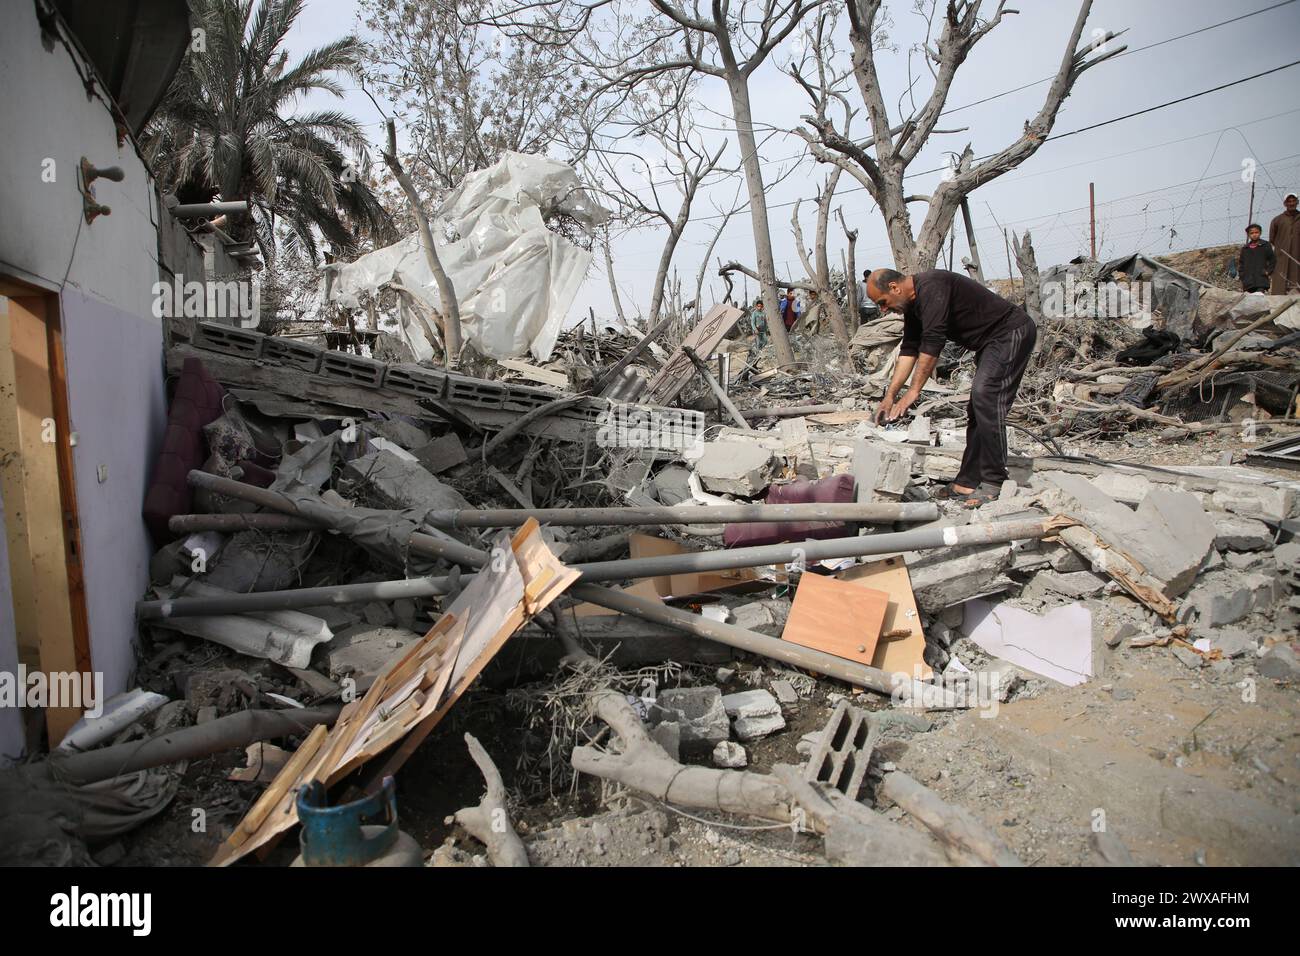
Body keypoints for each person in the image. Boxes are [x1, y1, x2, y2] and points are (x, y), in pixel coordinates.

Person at [866, 267, 1037, 506]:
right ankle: (967, 481)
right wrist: (891, 396)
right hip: (991, 343)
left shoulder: (932, 286)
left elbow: (934, 341)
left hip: (1011, 332)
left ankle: (995, 481)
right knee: (977, 407)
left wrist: (914, 391)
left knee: (985, 396)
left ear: (895, 287)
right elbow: (909, 349)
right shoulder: (912, 306)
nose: (883, 309)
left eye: (883, 302)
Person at [1268, 193, 1300, 295]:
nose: (1291, 203)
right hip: (1281, 256)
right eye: (1289, 201)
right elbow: (1272, 239)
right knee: (1280, 284)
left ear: (1297, 202)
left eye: (1293, 201)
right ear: (1285, 204)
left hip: (1297, 256)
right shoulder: (1277, 220)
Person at [1238, 223, 1275, 294]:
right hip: (1248, 281)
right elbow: (1241, 263)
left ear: (1260, 233)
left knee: (1259, 296)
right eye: (1252, 233)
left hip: (1261, 279)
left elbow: (1272, 259)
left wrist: (1268, 271)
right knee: (1249, 300)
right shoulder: (1245, 249)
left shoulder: (1265, 245)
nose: (1254, 234)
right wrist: (1242, 275)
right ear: (1248, 235)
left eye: (1256, 232)